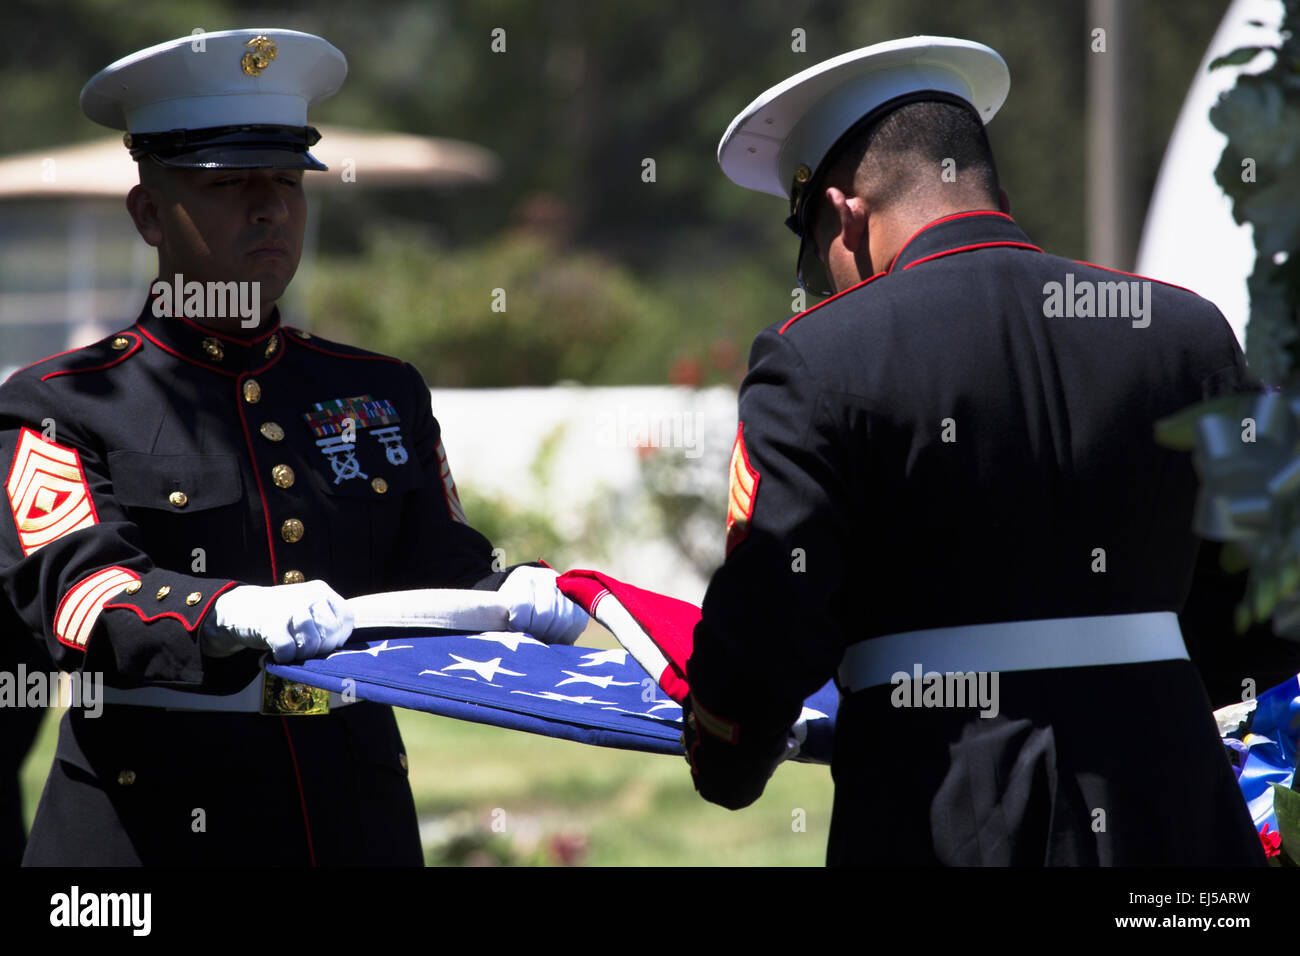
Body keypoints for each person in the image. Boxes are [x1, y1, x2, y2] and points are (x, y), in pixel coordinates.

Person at [0, 28, 586, 866]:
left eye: (285, 182)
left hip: (351, 810)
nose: (269, 206)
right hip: (156, 829)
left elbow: (437, 570)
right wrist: (223, 610)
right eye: (230, 184)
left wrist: (510, 590)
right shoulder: (61, 402)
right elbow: (80, 599)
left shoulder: (381, 390)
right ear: (150, 213)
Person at [682, 36, 1266, 865]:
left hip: (946, 820)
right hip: (1176, 818)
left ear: (843, 216)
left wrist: (726, 756)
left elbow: (772, 613)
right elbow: (1268, 605)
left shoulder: (818, 358)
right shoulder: (1182, 331)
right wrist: (1144, 692)